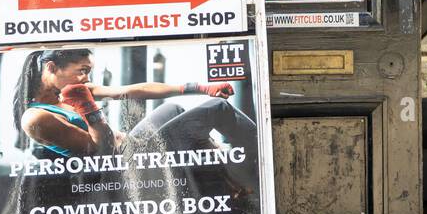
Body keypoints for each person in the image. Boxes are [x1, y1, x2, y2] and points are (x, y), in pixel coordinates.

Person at [13, 47, 251, 164]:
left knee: (173, 109)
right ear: (52, 68)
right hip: (128, 165)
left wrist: (201, 87)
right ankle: (256, 162)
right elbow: (102, 153)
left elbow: (134, 90)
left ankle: (224, 169)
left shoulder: (71, 92)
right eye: (82, 71)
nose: (87, 78)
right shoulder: (36, 119)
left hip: (136, 145)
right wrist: (89, 109)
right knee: (218, 109)